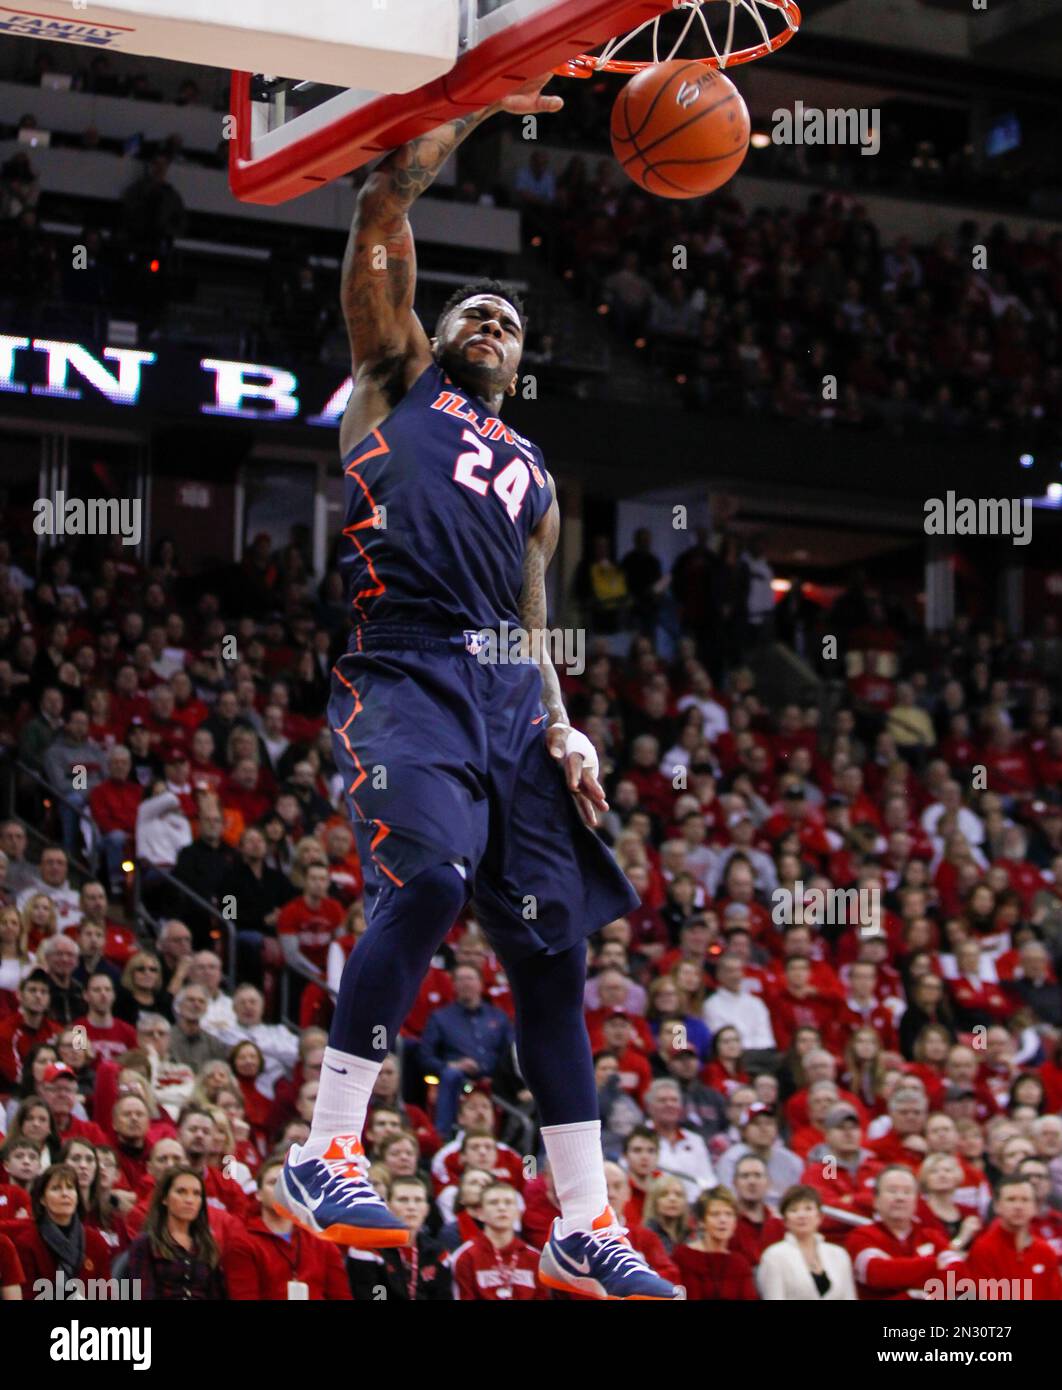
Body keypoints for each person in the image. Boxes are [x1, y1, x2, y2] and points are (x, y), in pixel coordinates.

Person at [271, 72, 678, 1302]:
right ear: (440, 333)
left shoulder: (539, 473)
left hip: (509, 696)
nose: (495, 320)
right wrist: (487, 97)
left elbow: (540, 615)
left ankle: (583, 1224)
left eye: (510, 318)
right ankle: (327, 1145)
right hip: (408, 664)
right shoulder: (398, 376)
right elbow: (381, 198)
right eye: (478, 310)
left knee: (553, 958)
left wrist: (566, 729)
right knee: (433, 874)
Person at [225, 1158, 351, 1300]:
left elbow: (341, 1295)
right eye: (273, 1183)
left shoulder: (321, 1240)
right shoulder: (243, 1242)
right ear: (258, 1194)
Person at [846, 1165, 960, 1300]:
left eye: (907, 1192)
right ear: (876, 1201)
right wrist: (932, 1265)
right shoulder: (861, 1236)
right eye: (892, 1191)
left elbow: (959, 1277)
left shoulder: (931, 1235)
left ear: (916, 1201)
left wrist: (899, 1272)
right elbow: (875, 1273)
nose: (900, 1197)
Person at [7, 1163, 112, 1298]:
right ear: (42, 1199)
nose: (65, 1194)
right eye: (56, 1188)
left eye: (70, 1188)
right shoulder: (27, 1243)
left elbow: (106, 1294)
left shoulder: (95, 1240)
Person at [125, 1166, 227, 1299]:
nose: (189, 1200)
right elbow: (142, 1295)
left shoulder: (207, 1245)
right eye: (181, 1192)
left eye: (196, 1194)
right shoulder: (145, 1244)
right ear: (164, 1198)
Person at [347, 1173, 452, 1300]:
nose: (411, 1207)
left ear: (427, 1209)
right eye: (403, 1200)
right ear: (388, 1207)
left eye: (418, 1200)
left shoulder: (438, 1254)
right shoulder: (366, 1249)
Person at [962, 1174, 1062, 1299]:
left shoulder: (1045, 1251)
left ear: (1035, 1207)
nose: (1018, 1207)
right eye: (1011, 1199)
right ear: (997, 1206)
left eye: (1025, 1200)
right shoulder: (983, 1250)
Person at [757, 1185, 857, 1300]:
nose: (801, 1215)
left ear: (819, 1216)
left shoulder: (839, 1254)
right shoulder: (773, 1256)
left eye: (808, 1208)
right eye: (793, 1210)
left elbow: (849, 1296)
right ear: (785, 1220)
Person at [452, 1181, 546, 1300]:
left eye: (508, 1202)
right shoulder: (466, 1256)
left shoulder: (535, 1258)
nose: (502, 1208)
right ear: (480, 1213)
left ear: (518, 1213)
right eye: (493, 1203)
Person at [672, 1186, 757, 1300]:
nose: (723, 1220)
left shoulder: (740, 1264)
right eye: (715, 1214)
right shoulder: (683, 1257)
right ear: (702, 1221)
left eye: (729, 1214)